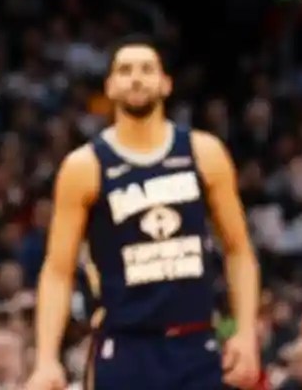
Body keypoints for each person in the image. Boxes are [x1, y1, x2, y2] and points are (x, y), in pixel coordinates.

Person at [27, 37, 261, 390]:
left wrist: (246, 334)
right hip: (125, 345)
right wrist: (46, 359)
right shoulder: (84, 166)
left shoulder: (204, 152)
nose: (136, 78)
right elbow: (58, 270)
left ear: (165, 83)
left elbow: (239, 250)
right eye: (125, 70)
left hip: (195, 344)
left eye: (146, 69)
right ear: (109, 86)